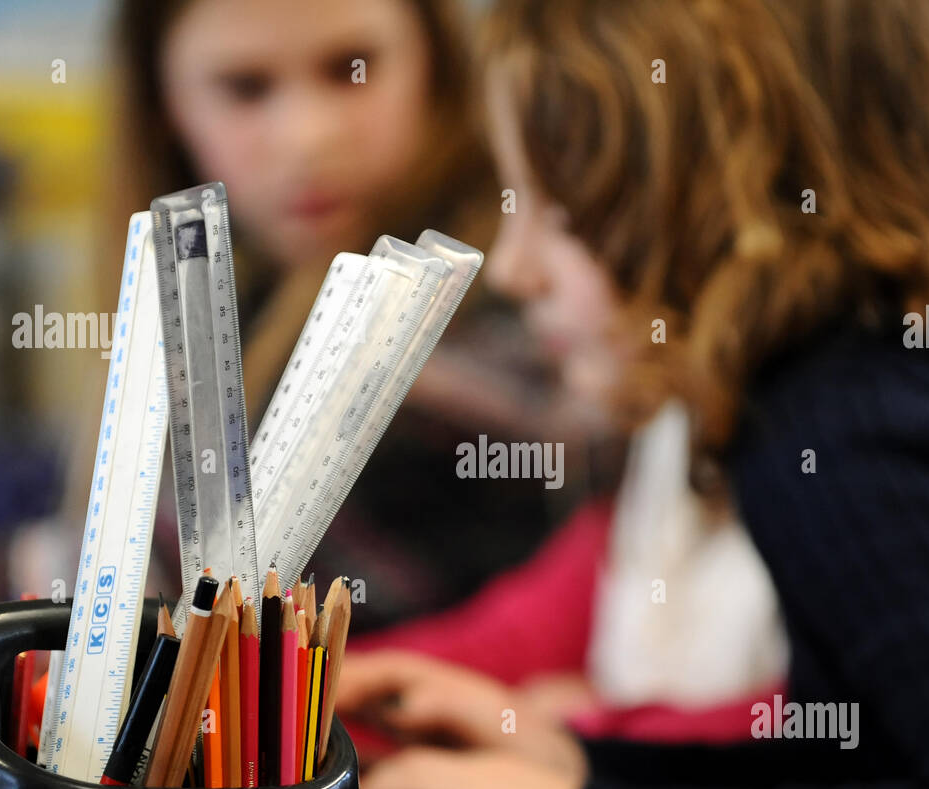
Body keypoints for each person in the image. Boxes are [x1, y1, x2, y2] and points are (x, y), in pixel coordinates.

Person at [337, 0, 929, 789]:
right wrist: (591, 773)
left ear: (730, 192)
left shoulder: (842, 427)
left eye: (559, 211)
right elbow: (898, 778)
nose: (513, 268)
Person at [53, 0, 590, 628]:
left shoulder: (498, 331)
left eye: (351, 68)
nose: (308, 137)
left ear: (440, 68)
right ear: (162, 108)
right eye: (245, 88)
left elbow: (138, 616)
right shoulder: (241, 286)